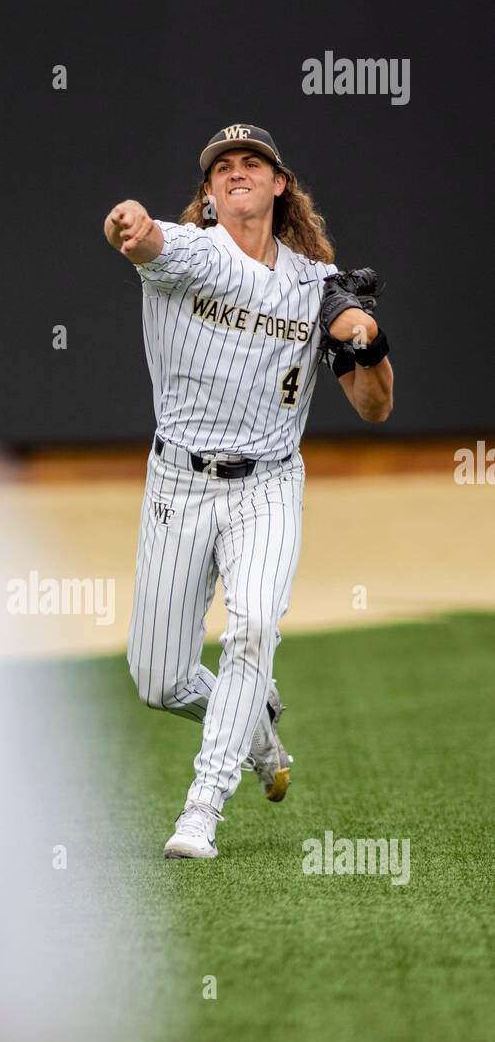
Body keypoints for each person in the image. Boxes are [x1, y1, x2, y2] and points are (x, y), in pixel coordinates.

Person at [104, 124, 393, 859]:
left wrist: (366, 339)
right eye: (222, 167)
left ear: (278, 184)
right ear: (207, 192)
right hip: (178, 481)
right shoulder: (192, 252)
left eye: (251, 164)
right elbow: (146, 244)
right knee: (159, 680)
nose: (236, 172)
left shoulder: (312, 284)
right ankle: (258, 733)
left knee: (254, 625)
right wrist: (131, 224)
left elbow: (374, 407)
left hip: (266, 485)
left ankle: (201, 811)